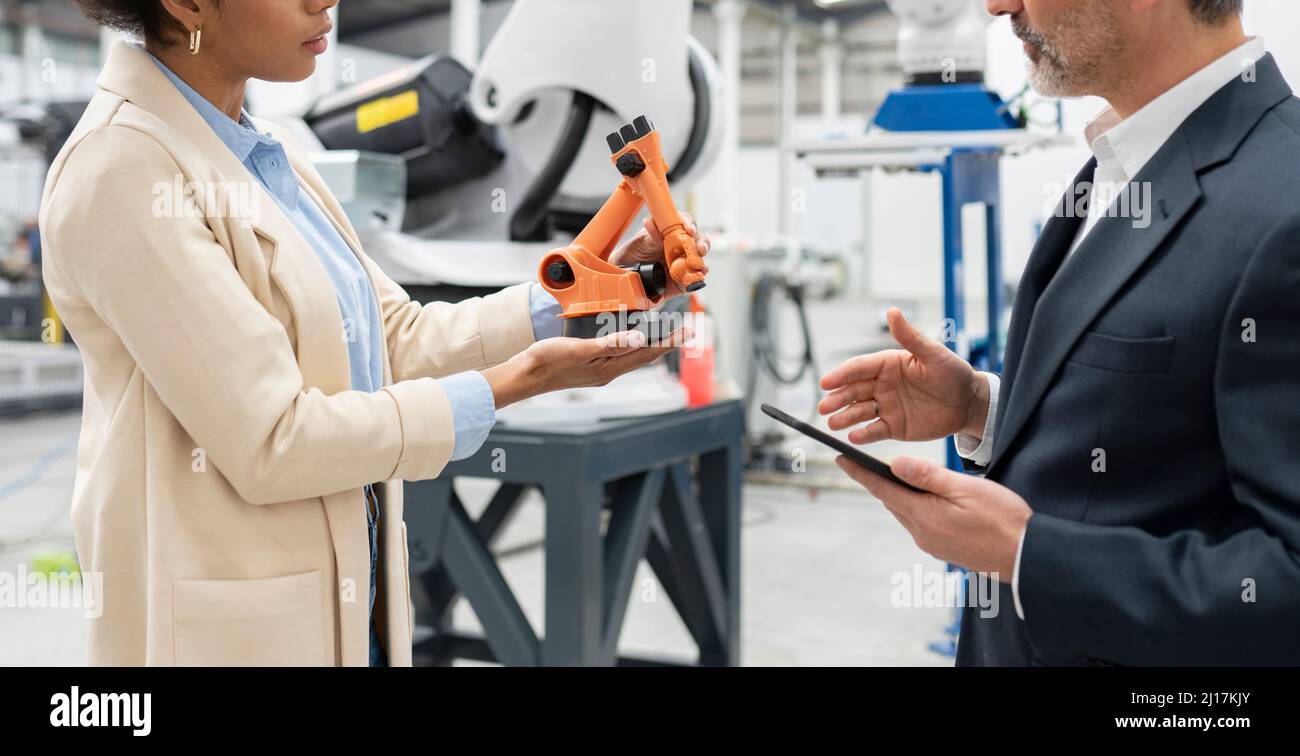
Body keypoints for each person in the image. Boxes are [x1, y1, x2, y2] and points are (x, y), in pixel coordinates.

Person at [41, 0, 708, 666]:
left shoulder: (272, 154)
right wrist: (524, 379)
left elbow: (392, 337)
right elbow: (276, 440)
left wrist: (570, 293)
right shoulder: (121, 169)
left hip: (349, 606)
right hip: (230, 635)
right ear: (187, 4)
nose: (324, 2)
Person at [821, 0, 1300, 665]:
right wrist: (983, 408)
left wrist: (1027, 554)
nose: (997, 6)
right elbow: (1156, 444)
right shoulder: (1125, 157)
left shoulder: (1285, 207)